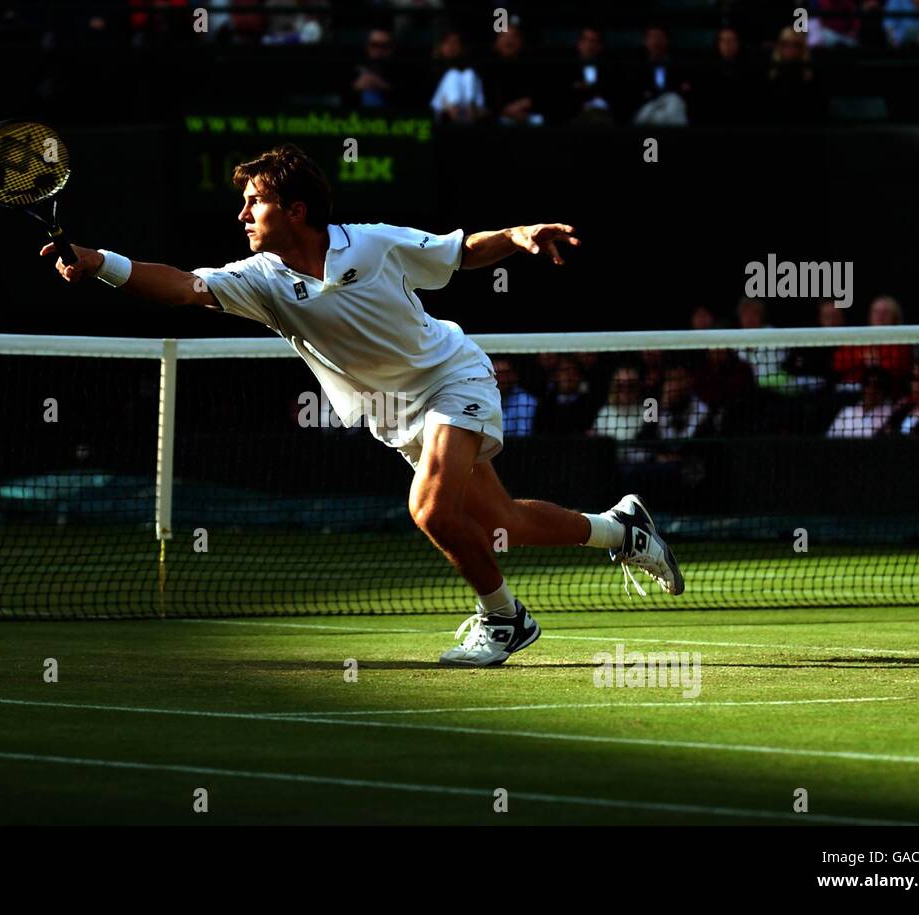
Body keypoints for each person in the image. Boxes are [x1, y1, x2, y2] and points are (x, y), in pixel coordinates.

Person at [40, 144, 684, 667]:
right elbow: (182, 287)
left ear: (295, 210)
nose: (242, 215)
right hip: (395, 416)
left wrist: (517, 236)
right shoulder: (263, 282)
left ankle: (506, 620)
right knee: (502, 520)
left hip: (452, 377)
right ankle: (622, 528)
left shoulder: (373, 244)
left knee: (428, 509)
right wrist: (97, 261)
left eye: (253, 202)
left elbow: (459, 253)